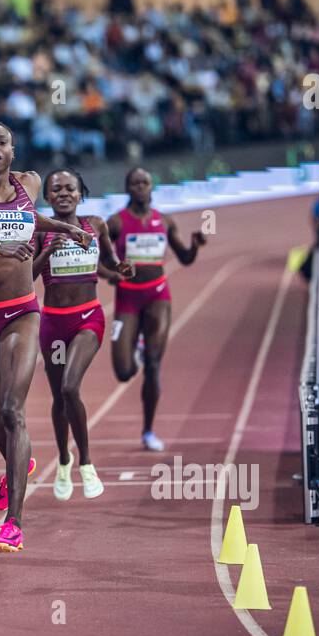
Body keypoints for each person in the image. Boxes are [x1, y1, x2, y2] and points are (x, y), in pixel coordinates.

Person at [0, 119, 93, 553]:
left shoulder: (29, 183)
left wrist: (65, 229)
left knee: (12, 410)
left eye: (1, 142)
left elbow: (29, 219)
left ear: (13, 150)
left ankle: (14, 523)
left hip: (21, 313)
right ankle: (16, 462)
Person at [32, 169, 133, 500]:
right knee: (60, 397)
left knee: (70, 386)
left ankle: (86, 463)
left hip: (88, 319)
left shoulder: (96, 225)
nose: (63, 193)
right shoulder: (41, 230)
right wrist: (49, 250)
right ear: (47, 197)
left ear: (81, 193)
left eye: (70, 188)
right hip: (54, 325)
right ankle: (64, 459)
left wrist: (121, 268)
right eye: (56, 189)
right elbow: (27, 276)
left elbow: (110, 261)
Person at [107, 167, 205, 452]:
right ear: (127, 188)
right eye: (135, 182)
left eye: (145, 182)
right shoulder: (115, 222)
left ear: (152, 187)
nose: (140, 187)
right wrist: (112, 271)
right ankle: (135, 347)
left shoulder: (165, 221)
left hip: (158, 297)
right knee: (124, 372)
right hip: (127, 299)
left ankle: (148, 431)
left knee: (153, 366)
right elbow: (100, 258)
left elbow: (185, 259)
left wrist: (195, 246)